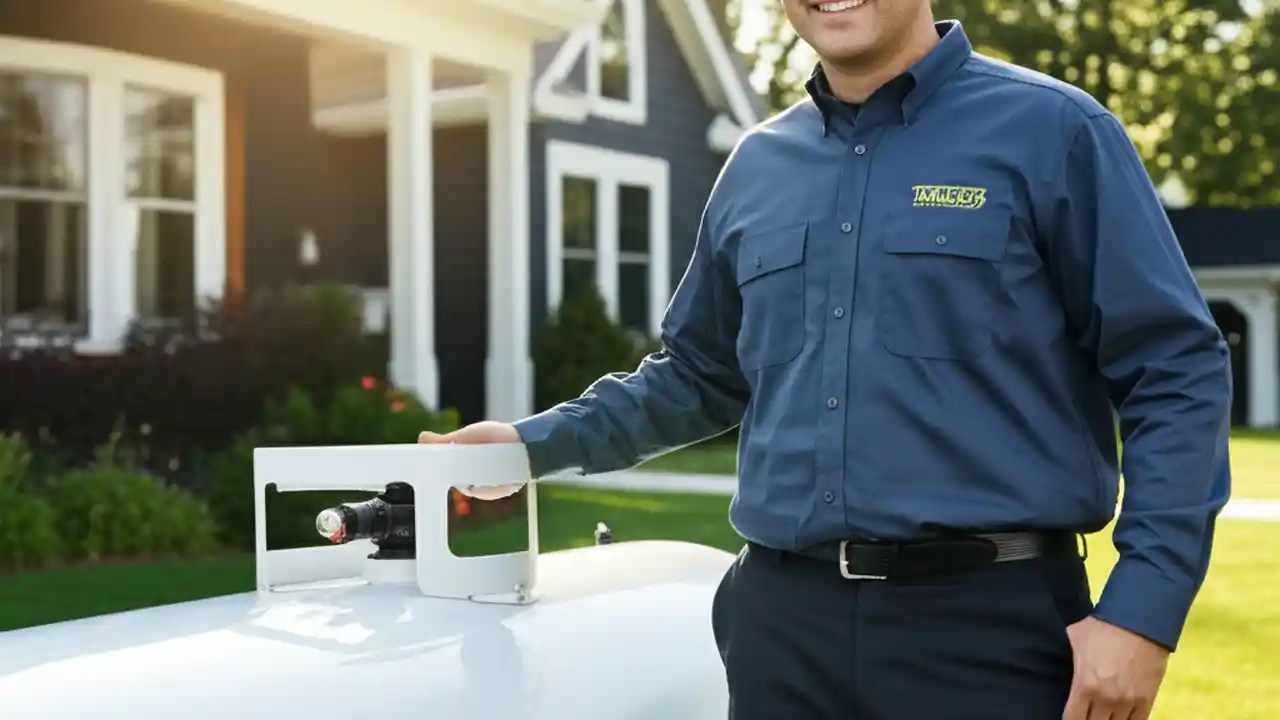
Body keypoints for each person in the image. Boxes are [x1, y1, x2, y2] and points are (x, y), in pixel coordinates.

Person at [419, 1, 1233, 717]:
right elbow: (699, 376)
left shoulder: (1057, 133)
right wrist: (527, 447)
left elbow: (1176, 369)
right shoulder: (755, 167)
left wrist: (1140, 613)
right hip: (780, 634)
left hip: (986, 634)